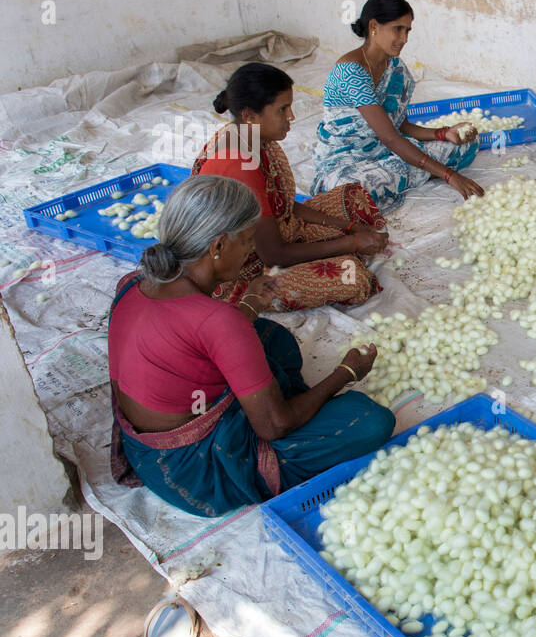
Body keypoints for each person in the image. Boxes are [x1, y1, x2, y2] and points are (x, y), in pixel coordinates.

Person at [108, 176, 396, 518]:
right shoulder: (217, 321)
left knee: (273, 338)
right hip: (192, 469)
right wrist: (345, 373)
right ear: (217, 248)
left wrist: (251, 304)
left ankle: (272, 395)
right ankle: (274, 439)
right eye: (245, 241)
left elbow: (191, 337)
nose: (251, 251)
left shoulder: (132, 285)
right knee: (370, 420)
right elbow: (275, 425)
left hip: (142, 445)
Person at [194, 62, 389, 310]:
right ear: (249, 116)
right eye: (283, 109)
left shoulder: (252, 137)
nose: (292, 117)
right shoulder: (239, 165)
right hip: (241, 268)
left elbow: (281, 205)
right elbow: (274, 255)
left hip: (270, 231)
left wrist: (347, 227)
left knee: (353, 199)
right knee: (353, 276)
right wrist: (353, 243)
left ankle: (339, 247)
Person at [312, 0, 484, 210]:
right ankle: (413, 172)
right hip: (347, 158)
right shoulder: (351, 71)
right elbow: (390, 137)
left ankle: (407, 172)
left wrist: (444, 132)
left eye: (408, 30)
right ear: (374, 26)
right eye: (398, 29)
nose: (404, 39)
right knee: (349, 193)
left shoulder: (396, 67)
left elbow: (400, 125)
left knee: (466, 144)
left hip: (385, 153)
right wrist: (449, 175)